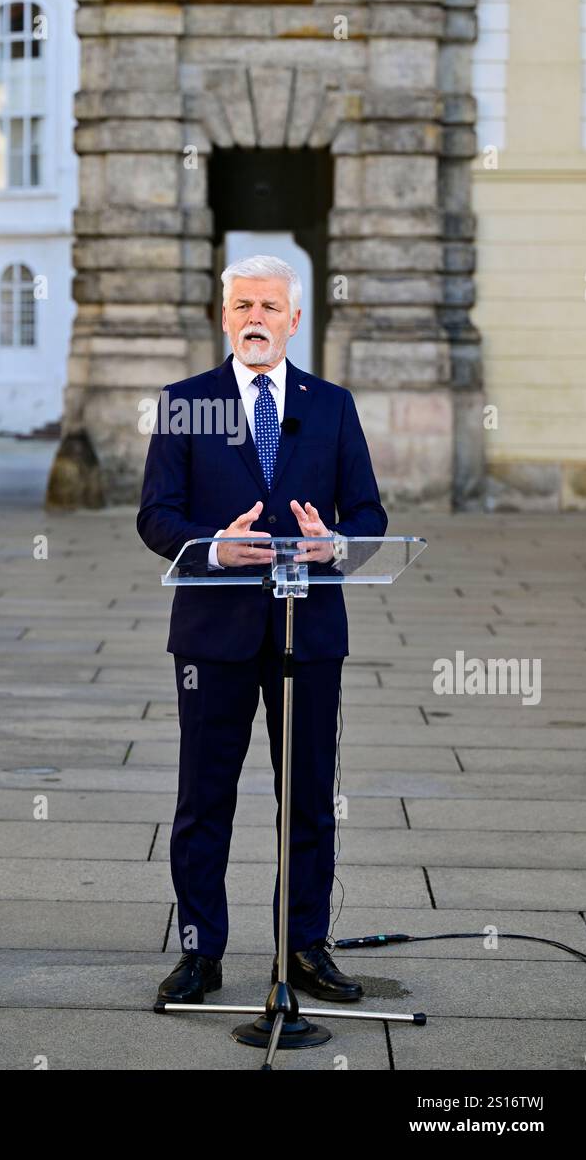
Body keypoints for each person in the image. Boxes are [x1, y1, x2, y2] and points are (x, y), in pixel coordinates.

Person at [136, 254, 388, 1006]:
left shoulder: (333, 405)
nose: (255, 318)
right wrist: (213, 544)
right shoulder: (186, 403)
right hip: (212, 638)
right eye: (243, 304)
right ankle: (199, 954)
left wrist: (334, 545)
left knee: (307, 800)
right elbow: (155, 515)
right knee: (203, 799)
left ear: (294, 320)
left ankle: (304, 947)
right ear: (224, 317)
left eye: (270, 307)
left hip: (307, 634)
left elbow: (370, 515)